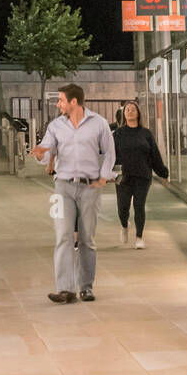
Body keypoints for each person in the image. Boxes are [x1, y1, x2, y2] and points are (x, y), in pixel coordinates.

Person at [31, 82, 115, 304]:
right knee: (63, 236)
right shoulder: (56, 126)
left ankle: (85, 287)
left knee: (87, 239)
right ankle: (65, 289)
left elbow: (109, 152)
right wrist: (40, 154)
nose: (58, 104)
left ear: (73, 101)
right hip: (62, 187)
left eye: (61, 100)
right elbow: (46, 148)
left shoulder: (99, 124)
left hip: (90, 187)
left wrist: (104, 176)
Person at [113, 100, 168, 247]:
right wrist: (107, 172)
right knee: (122, 208)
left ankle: (139, 238)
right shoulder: (118, 134)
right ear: (124, 114)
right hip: (123, 177)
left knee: (139, 206)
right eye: (127, 110)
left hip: (142, 176)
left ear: (138, 113)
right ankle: (124, 226)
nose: (130, 112)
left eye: (133, 109)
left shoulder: (146, 133)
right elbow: (110, 155)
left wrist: (163, 172)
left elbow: (154, 155)